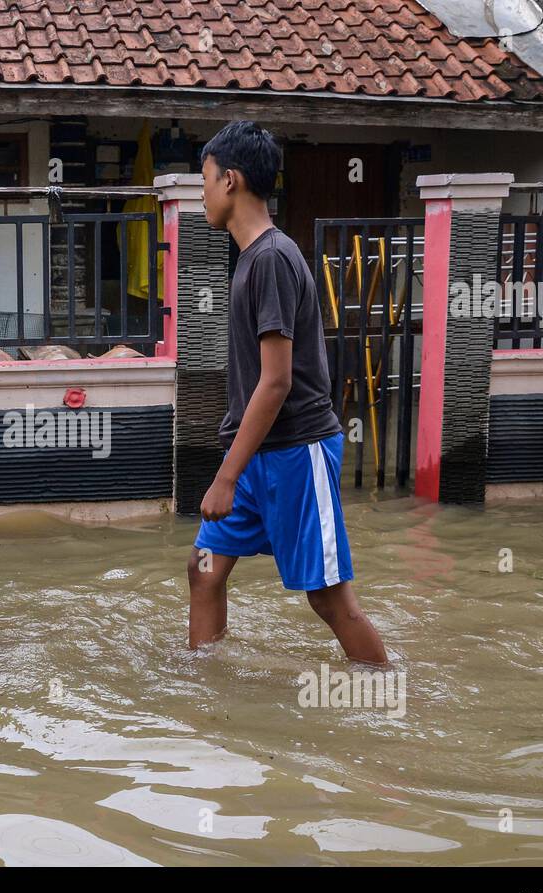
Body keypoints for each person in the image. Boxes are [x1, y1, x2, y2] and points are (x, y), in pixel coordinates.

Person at [187, 121, 388, 665]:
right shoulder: (251, 259)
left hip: (296, 452)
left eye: (204, 178)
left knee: (326, 598)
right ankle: (208, 689)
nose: (200, 191)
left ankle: (386, 695)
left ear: (230, 180)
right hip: (255, 455)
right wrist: (235, 466)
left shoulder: (272, 259)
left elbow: (276, 381)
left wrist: (225, 475)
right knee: (203, 569)